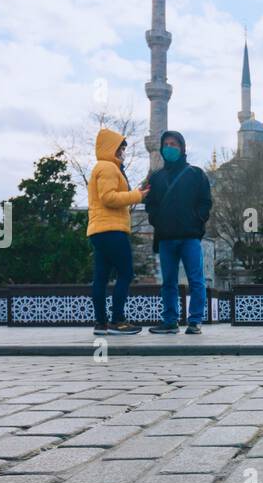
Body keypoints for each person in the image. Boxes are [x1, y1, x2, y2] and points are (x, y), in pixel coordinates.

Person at [143, 130, 212, 334]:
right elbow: (150, 205)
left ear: (182, 148)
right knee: (169, 282)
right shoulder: (156, 178)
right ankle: (170, 321)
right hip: (166, 238)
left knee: (196, 280)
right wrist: (158, 221)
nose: (170, 148)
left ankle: (195, 321)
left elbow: (205, 202)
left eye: (174, 144)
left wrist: (196, 220)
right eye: (167, 144)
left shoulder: (196, 174)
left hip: (189, 236)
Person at [86, 128, 146, 335]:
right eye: (120, 148)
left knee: (101, 277)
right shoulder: (108, 168)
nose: (122, 152)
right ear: (112, 148)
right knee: (126, 273)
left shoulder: (102, 167)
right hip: (111, 229)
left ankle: (101, 323)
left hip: (99, 230)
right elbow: (109, 198)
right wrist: (137, 196)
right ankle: (118, 321)